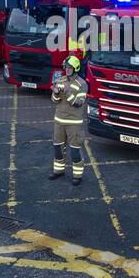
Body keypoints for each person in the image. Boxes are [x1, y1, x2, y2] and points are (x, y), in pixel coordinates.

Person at [49, 54, 88, 185]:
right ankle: (58, 171)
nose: (67, 70)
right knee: (57, 149)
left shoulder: (82, 84)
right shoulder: (61, 80)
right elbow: (55, 101)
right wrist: (55, 92)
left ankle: (77, 176)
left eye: (70, 68)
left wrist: (67, 92)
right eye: (66, 67)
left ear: (76, 68)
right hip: (59, 120)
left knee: (75, 151)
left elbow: (78, 103)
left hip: (74, 123)